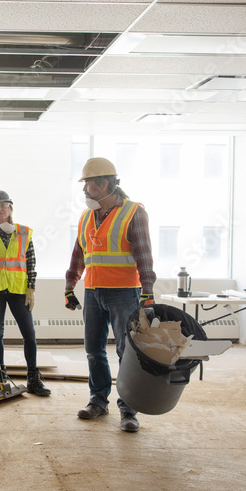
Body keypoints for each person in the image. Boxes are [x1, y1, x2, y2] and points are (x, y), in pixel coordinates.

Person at [65, 157, 156, 433]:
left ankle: (128, 409)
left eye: (88, 185)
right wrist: (70, 286)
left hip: (124, 293)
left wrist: (148, 292)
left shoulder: (133, 212)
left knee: (125, 352)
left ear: (104, 185)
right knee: (94, 350)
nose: (84, 191)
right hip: (93, 292)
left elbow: (144, 256)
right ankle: (98, 401)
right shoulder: (86, 216)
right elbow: (79, 254)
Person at [0, 190, 51, 398]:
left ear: (10, 208)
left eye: (3, 205)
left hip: (18, 289)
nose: (0, 210)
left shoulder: (24, 232)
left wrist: (31, 287)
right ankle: (0, 376)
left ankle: (33, 378)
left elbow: (30, 262)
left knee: (29, 333)